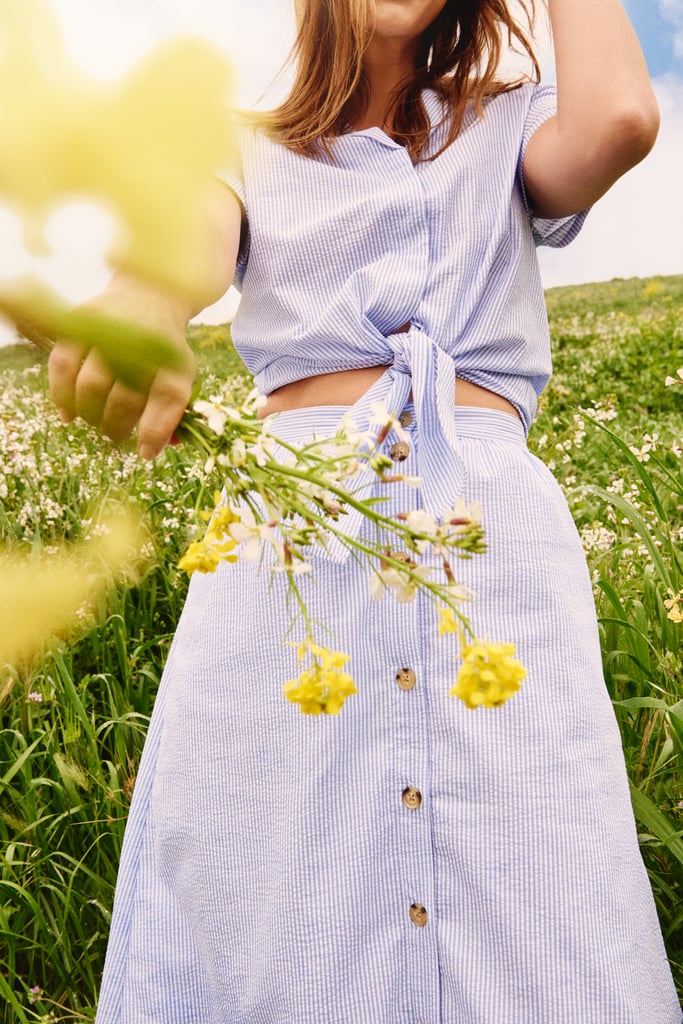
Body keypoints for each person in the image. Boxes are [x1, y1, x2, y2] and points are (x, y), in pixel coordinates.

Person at [48, 1, 681, 1021]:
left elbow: (617, 120)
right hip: (295, 538)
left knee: (528, 854)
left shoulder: (509, 122)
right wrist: (138, 300)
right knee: (281, 862)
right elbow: (179, 252)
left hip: (484, 530)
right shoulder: (238, 143)